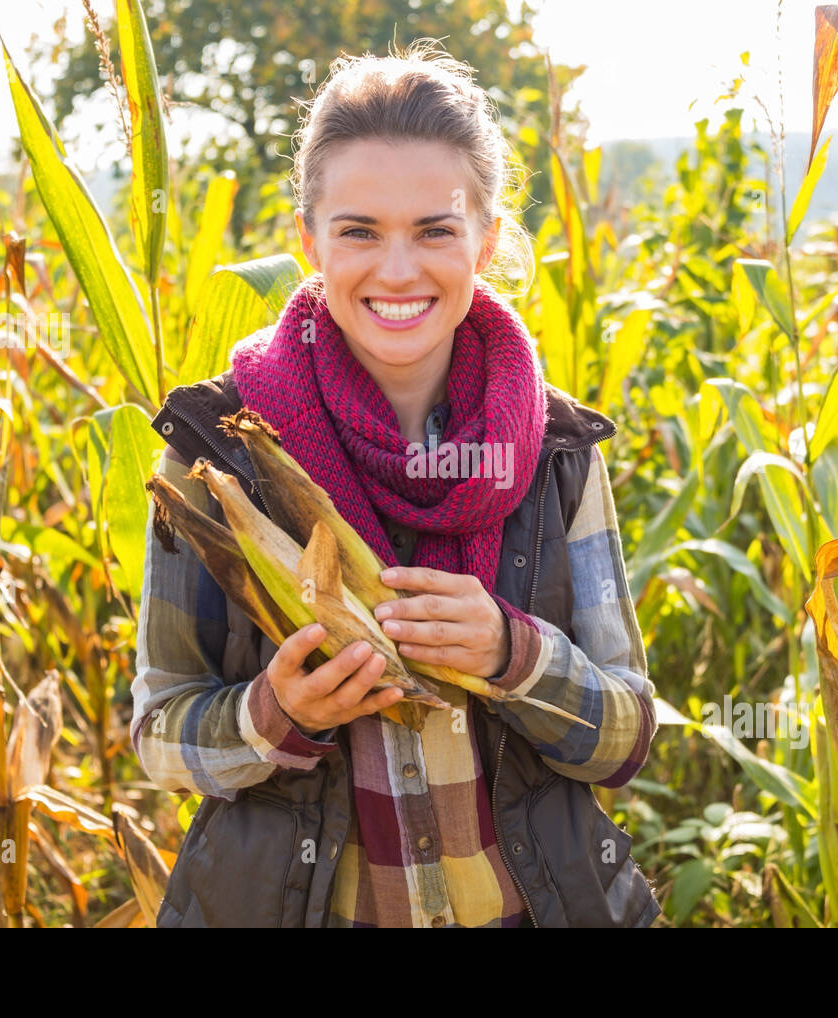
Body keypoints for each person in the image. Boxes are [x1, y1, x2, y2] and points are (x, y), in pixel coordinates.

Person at [131, 40, 661, 928]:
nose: (399, 270)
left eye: (436, 229)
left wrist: (511, 654)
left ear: (486, 241)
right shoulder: (217, 452)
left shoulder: (556, 450)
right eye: (359, 231)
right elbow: (161, 737)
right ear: (309, 241)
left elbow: (626, 737)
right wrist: (276, 712)